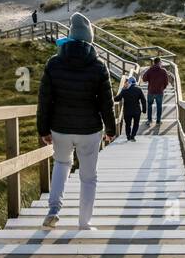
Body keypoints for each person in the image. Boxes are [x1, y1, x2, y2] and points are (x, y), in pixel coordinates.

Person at [36, 12, 116, 229]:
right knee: (88, 177)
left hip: (60, 128)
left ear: (71, 37)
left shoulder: (54, 63)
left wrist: (43, 129)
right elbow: (106, 103)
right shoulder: (99, 66)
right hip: (90, 130)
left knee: (62, 164)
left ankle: (53, 210)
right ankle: (84, 223)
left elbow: (44, 99)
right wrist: (111, 129)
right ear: (89, 39)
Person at [114, 75, 147, 142]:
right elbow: (143, 100)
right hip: (136, 111)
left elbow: (117, 99)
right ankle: (133, 136)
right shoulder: (138, 89)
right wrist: (144, 110)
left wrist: (112, 98)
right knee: (136, 124)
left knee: (128, 124)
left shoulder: (125, 90)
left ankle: (128, 136)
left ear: (129, 82)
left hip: (127, 111)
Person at [142, 56, 169, 128]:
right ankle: (158, 121)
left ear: (154, 62)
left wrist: (148, 71)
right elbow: (166, 82)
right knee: (159, 106)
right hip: (159, 92)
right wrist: (162, 88)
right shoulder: (163, 71)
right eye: (161, 62)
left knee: (149, 106)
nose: (161, 63)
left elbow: (144, 79)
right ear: (159, 62)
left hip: (151, 91)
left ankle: (149, 120)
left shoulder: (150, 70)